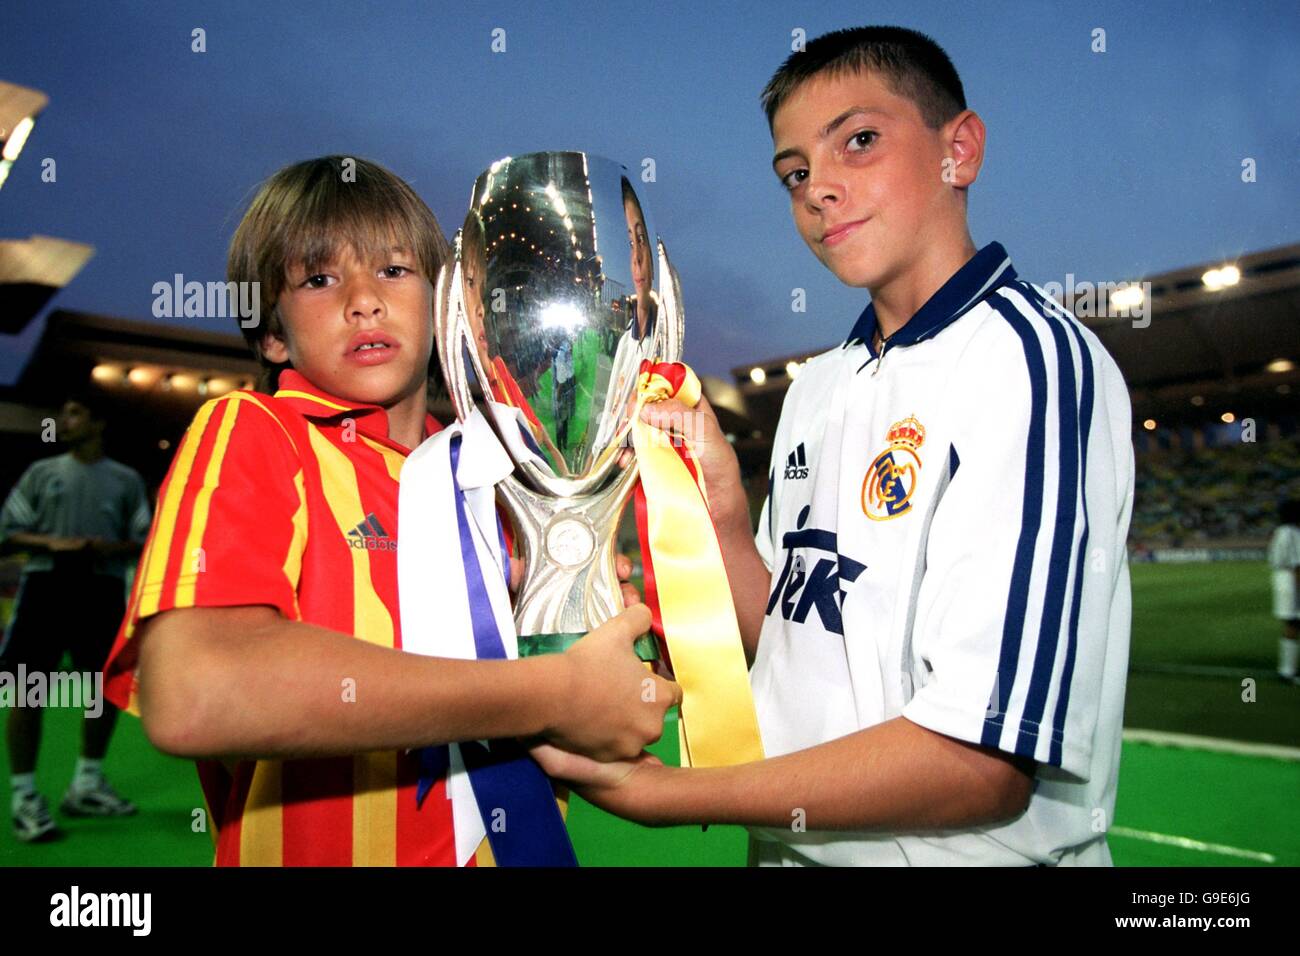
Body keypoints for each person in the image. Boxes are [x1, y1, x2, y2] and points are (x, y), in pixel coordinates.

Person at [534, 26, 1136, 867]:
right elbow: (784, 639)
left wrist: (664, 793)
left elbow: (983, 763)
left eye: (859, 141)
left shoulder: (1027, 361)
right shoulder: (821, 383)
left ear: (959, 150)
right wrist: (727, 524)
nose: (820, 189)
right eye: (795, 173)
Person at [100, 156, 678, 866]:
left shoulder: (494, 476)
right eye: (318, 279)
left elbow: (565, 716)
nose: (363, 300)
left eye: (394, 271)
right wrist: (553, 690)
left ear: (448, 309)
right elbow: (196, 692)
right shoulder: (260, 433)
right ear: (273, 334)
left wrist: (594, 647)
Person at [1, 394, 151, 841]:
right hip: (45, 586)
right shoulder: (41, 472)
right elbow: (7, 532)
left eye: (74, 412)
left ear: (98, 422)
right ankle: (24, 796)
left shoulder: (125, 480)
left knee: (102, 689)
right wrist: (54, 544)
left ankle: (86, 783)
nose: (64, 420)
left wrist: (108, 548)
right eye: (62, 414)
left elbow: (143, 539)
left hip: (102, 589)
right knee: (28, 690)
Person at [1269, 498, 1300, 684]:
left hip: (1281, 579)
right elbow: (1297, 564)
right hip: (1291, 580)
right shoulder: (1294, 533)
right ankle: (1287, 671)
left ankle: (1287, 670)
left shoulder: (1280, 532)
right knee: (1293, 624)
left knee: (1292, 624)